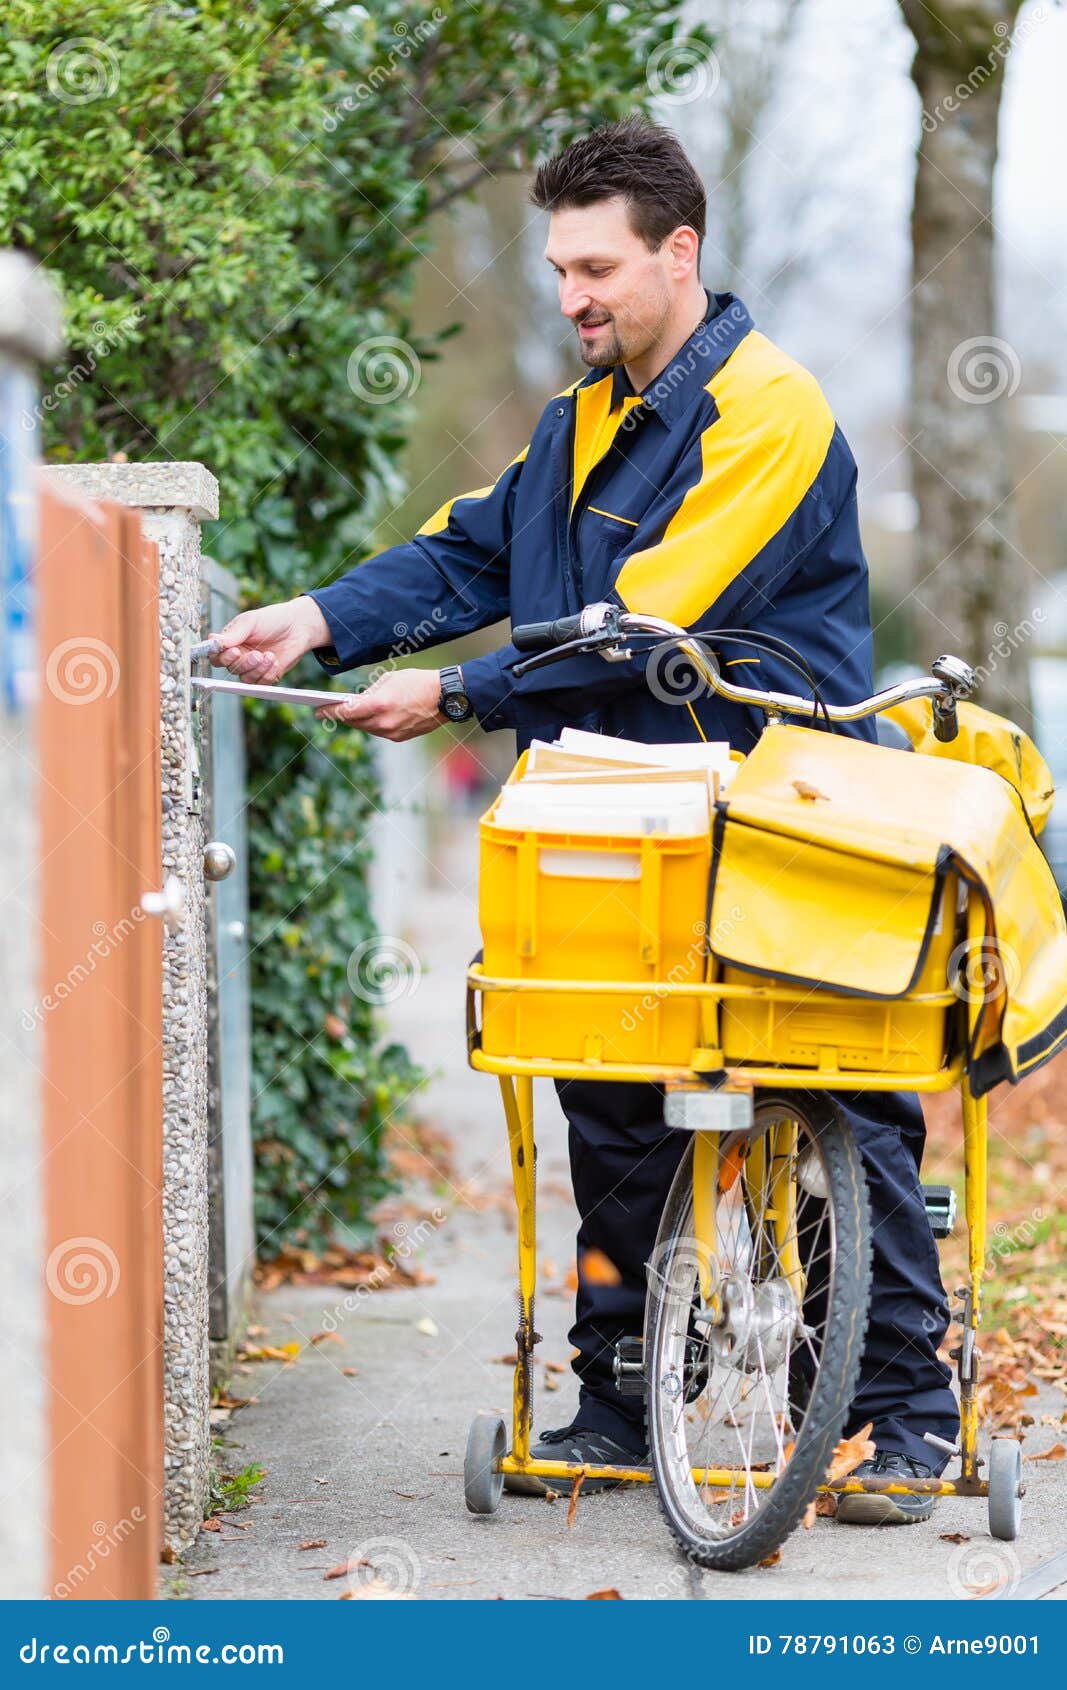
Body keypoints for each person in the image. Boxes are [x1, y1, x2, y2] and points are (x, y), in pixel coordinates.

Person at [212, 116, 960, 1525]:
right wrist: (318, 621)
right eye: (559, 268)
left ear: (681, 252)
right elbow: (465, 549)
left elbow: (648, 618)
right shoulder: (578, 422)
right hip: (619, 820)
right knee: (610, 1111)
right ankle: (624, 1397)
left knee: (836, 1100)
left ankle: (898, 1414)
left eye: (598, 266)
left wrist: (458, 692)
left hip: (775, 815)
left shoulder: (773, 407)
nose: (573, 297)